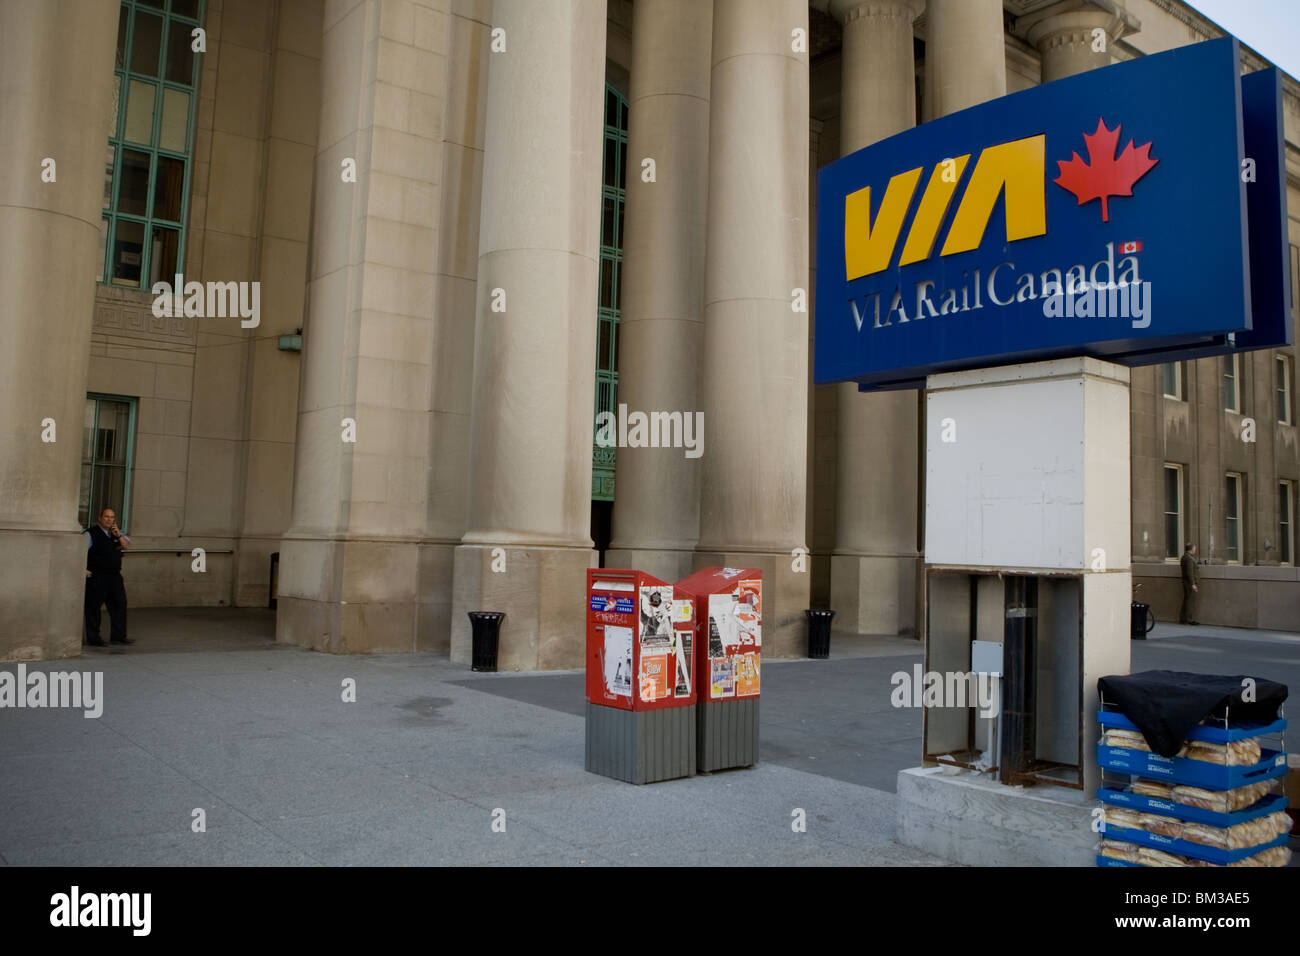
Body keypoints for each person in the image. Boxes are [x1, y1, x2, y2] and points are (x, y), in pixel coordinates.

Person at [84, 508, 134, 646]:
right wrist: (83, 569)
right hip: (97, 576)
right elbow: (79, 552)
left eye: (112, 517)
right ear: (100, 518)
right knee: (93, 607)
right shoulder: (90, 534)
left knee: (119, 604)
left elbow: (127, 546)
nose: (109, 519)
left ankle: (118, 636)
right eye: (106, 517)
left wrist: (118, 535)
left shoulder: (116, 534)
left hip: (114, 576)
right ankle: (94, 638)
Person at [1179, 542, 1199, 625]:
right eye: (1194, 548)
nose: (1195, 549)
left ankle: (1183, 618)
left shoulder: (1185, 557)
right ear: (1191, 549)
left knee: (1187, 600)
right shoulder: (1189, 558)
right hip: (1189, 583)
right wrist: (1193, 584)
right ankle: (1188, 619)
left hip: (1187, 582)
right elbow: (1189, 572)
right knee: (1189, 601)